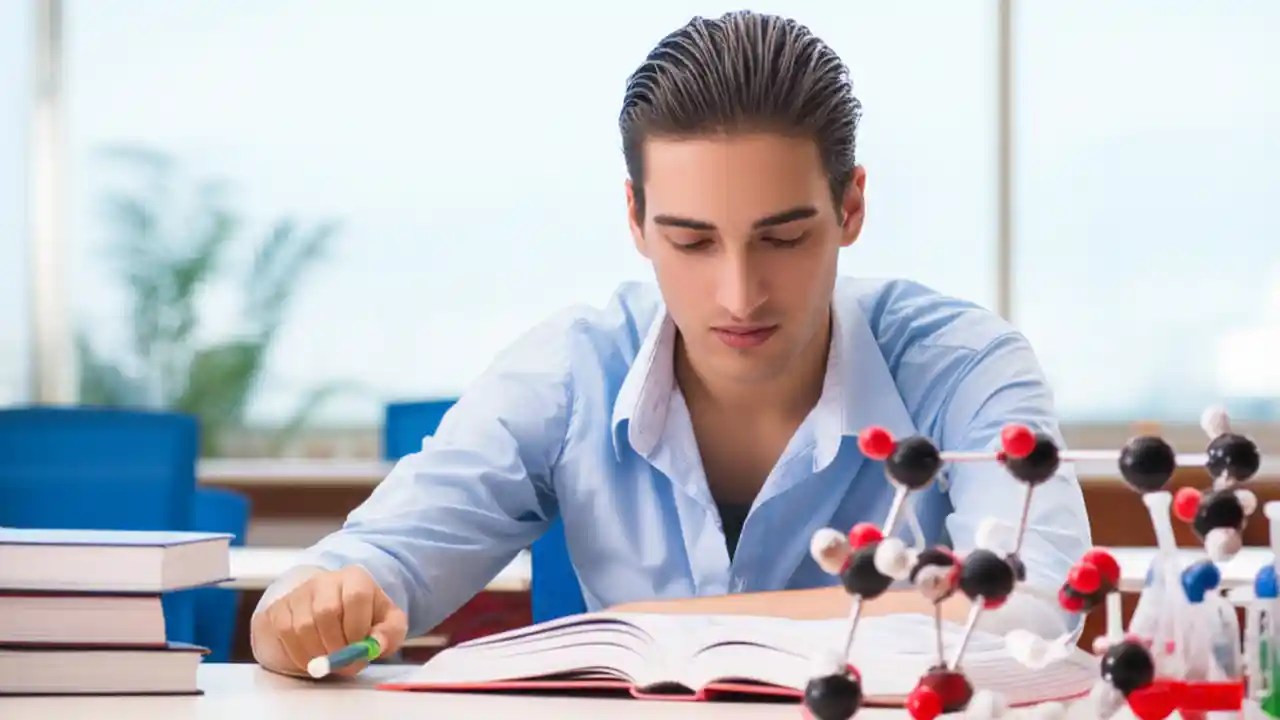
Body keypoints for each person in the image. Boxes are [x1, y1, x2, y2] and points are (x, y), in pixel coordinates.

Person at [251, 9, 1090, 677]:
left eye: (784, 238)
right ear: (635, 221)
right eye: (691, 243)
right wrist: (311, 608)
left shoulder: (966, 367)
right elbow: (350, 571)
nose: (738, 293)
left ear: (851, 208)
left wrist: (639, 630)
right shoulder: (570, 369)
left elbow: (1032, 606)